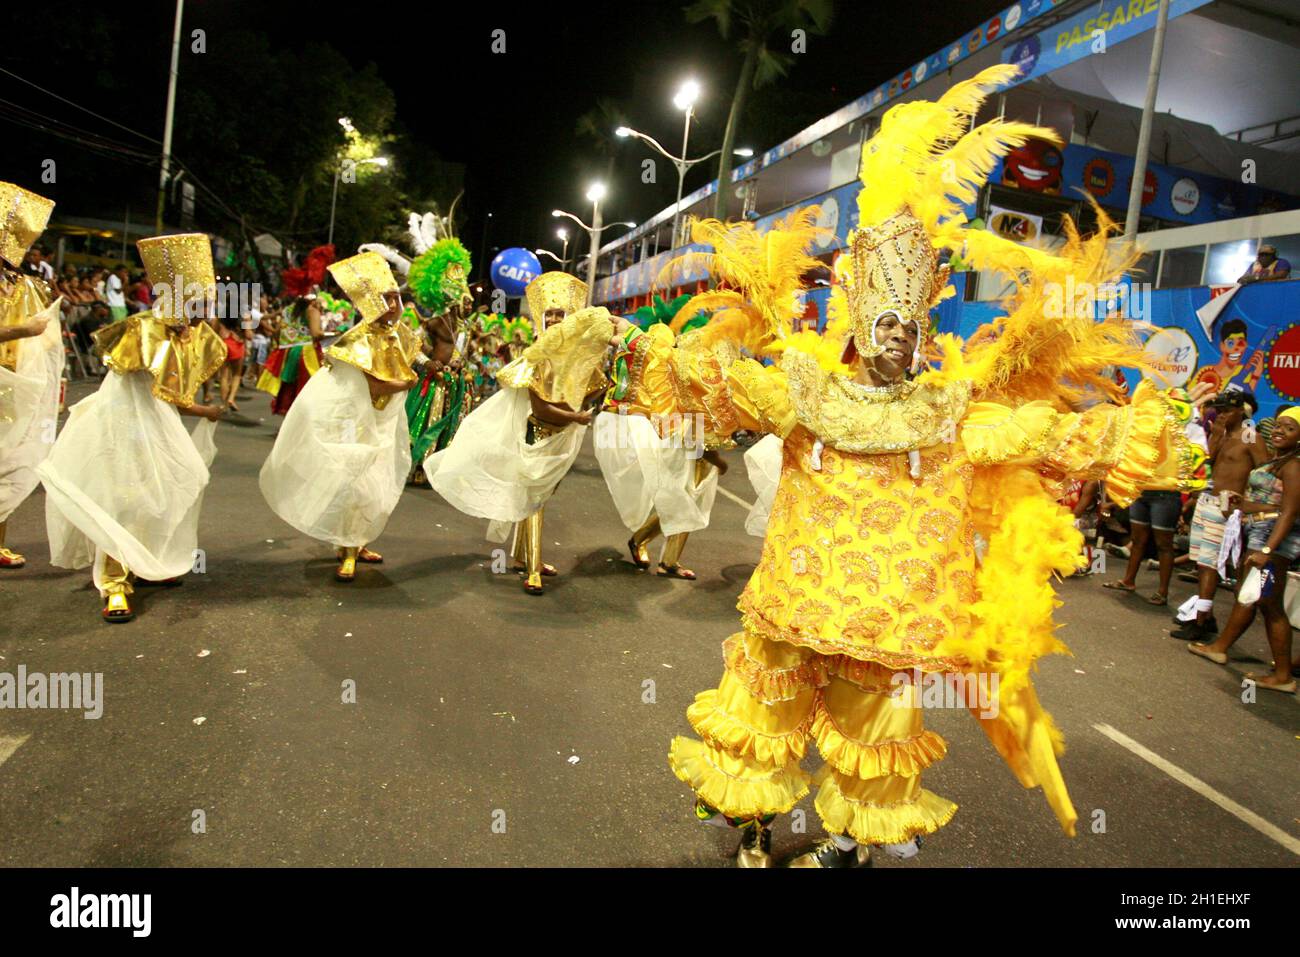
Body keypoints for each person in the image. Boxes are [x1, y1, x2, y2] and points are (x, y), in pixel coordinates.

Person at [658, 66, 1207, 867]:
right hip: (793, 601)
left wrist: (1138, 434)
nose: (899, 340)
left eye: (909, 329)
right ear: (857, 322)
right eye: (885, 323)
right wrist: (674, 353)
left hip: (891, 623)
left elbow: (1039, 433)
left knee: (874, 743)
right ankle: (751, 823)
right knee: (763, 717)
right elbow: (726, 379)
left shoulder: (948, 414)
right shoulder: (807, 393)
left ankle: (845, 845)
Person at [37, 233, 226, 622]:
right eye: (196, 301)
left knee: (170, 489)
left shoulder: (185, 333)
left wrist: (204, 408)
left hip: (159, 427)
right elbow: (159, 389)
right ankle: (115, 583)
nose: (202, 310)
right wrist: (204, 409)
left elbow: (172, 393)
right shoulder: (142, 330)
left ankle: (144, 562)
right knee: (123, 499)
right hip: (122, 427)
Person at [428, 272, 611, 595]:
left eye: (560, 314)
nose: (554, 319)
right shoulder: (536, 356)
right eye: (549, 314)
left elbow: (598, 386)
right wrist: (576, 415)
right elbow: (540, 409)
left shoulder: (577, 356)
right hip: (538, 433)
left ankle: (520, 557)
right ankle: (533, 569)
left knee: (542, 495)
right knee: (535, 497)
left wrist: (584, 398)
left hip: (563, 436)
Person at [260, 251, 422, 582]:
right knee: (356, 484)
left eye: (396, 298)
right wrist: (407, 382)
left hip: (386, 420)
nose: (393, 305)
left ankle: (358, 542)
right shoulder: (356, 339)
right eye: (386, 299)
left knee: (377, 483)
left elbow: (410, 364)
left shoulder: (403, 334)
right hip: (355, 421)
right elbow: (374, 385)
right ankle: (346, 549)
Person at [594, 315, 723, 581]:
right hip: (682, 439)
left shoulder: (716, 375)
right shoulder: (678, 371)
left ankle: (661, 555)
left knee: (688, 500)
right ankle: (657, 553)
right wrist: (714, 457)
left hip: (696, 438)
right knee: (681, 499)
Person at [1188, 408, 1300, 693]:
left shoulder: (1294, 466)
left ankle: (1283, 676)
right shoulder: (1279, 462)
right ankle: (1221, 647)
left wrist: (1267, 549)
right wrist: (1242, 504)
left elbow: (1288, 512)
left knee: (1270, 605)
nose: (1279, 431)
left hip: (1271, 538)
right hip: (1256, 530)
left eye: (1289, 428)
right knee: (1250, 597)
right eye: (1278, 426)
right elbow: (1271, 503)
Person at [0, 183, 64, 569]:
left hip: (13, 385)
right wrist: (21, 331)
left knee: (7, 460)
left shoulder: (25, 285)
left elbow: (46, 339)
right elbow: (25, 331)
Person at [1172, 390, 1268, 639]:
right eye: (1220, 411)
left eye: (1227, 411)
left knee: (1210, 564)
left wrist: (1245, 502)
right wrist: (1215, 434)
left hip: (1226, 507)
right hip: (1207, 500)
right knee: (1202, 562)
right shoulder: (1223, 432)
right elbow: (1208, 462)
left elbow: (1265, 474)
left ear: (1241, 411)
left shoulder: (1249, 435)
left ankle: (1201, 622)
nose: (1222, 415)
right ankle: (1206, 615)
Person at [401, 238, 477, 486]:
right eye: (466, 301)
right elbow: (413, 345)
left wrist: (465, 367)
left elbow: (464, 354)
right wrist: (426, 363)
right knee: (425, 425)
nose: (470, 305)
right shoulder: (436, 321)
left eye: (470, 303)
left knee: (449, 428)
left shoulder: (467, 327)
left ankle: (437, 469)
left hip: (454, 383)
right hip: (433, 381)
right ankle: (418, 467)